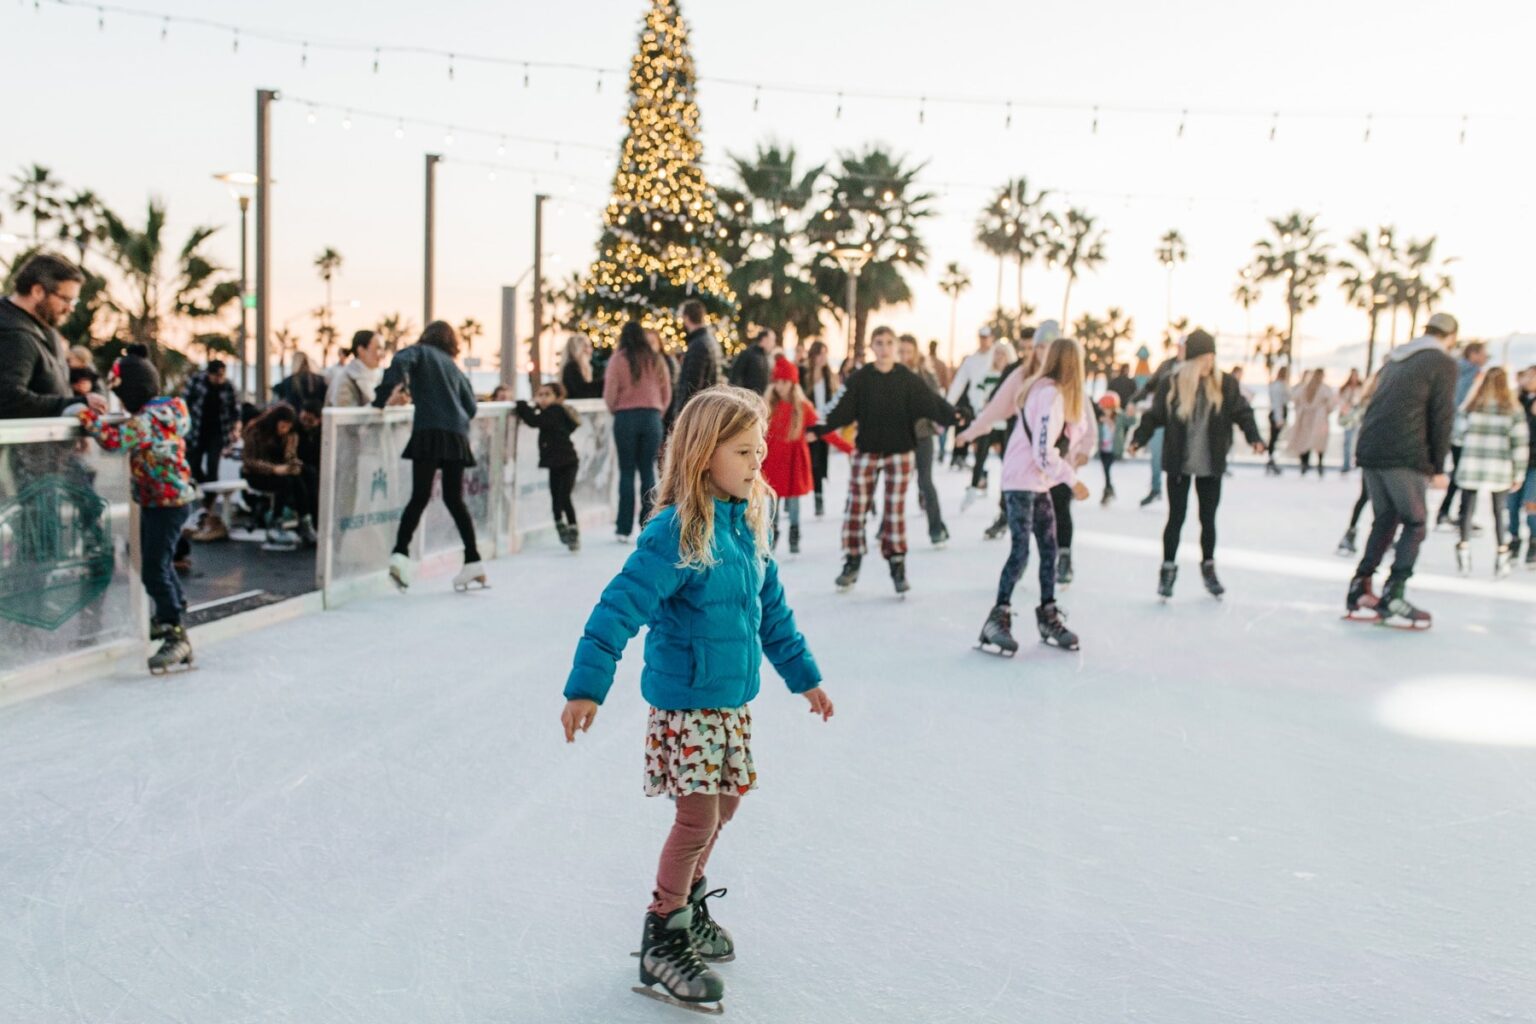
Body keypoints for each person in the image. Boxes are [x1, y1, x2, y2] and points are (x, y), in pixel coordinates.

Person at [558, 387, 834, 1013]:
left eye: (760, 450)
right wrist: (586, 687)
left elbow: (774, 617)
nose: (756, 462)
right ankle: (664, 932)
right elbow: (619, 606)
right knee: (697, 818)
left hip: (731, 705)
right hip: (687, 706)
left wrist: (805, 677)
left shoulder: (748, 525)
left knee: (727, 806)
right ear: (704, 453)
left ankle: (687, 898)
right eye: (742, 451)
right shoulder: (679, 530)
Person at [958, 335, 1092, 653]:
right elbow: (1043, 452)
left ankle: (1048, 613)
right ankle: (996, 617)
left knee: (1049, 549)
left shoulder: (1062, 395)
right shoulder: (1047, 395)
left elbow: (1075, 431)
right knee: (1021, 551)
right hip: (1020, 480)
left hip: (1038, 482)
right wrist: (1072, 480)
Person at [78, 350, 197, 672]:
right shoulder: (168, 412)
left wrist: (87, 417)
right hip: (164, 500)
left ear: (133, 391)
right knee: (156, 562)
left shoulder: (147, 421)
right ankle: (172, 612)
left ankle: (176, 632)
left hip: (164, 502)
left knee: (152, 569)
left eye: (121, 393)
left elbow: (114, 441)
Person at [816, 325, 958, 594]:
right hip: (867, 448)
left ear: (895, 346)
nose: (884, 348)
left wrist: (953, 415)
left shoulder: (906, 377)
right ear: (872, 347)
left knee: (894, 511)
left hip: (900, 450)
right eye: (879, 343)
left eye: (889, 343)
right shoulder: (861, 377)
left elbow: (930, 401)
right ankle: (853, 560)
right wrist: (819, 427)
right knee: (857, 505)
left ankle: (897, 563)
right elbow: (841, 406)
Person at [1129, 329, 1266, 600]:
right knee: (1176, 518)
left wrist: (1255, 437)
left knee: (1208, 519)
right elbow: (1154, 416)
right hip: (1180, 462)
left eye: (1212, 357)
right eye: (1204, 357)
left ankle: (1209, 569)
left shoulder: (1225, 383)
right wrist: (1137, 439)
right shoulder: (1173, 383)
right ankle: (1167, 571)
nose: (1209, 363)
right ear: (1192, 360)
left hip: (1210, 463)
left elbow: (1242, 411)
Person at [1345, 312, 1460, 627]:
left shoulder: (1397, 359)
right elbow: (1441, 415)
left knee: (1385, 519)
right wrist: (1438, 466)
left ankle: (1360, 588)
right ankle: (1394, 594)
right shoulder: (1442, 362)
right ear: (1450, 337)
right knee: (1415, 522)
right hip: (1404, 454)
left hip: (1371, 448)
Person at [372, 321, 485, 592]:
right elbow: (470, 406)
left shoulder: (420, 352)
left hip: (430, 431)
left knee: (420, 495)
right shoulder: (454, 368)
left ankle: (400, 554)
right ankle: (473, 560)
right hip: (456, 436)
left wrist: (380, 399)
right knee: (454, 499)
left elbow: (399, 363)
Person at [0, 252, 104, 418]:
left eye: (73, 302)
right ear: (38, 291)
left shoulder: (42, 329)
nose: (70, 308)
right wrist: (77, 403)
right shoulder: (13, 335)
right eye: (66, 299)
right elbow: (8, 400)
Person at [1450, 367, 1529, 578]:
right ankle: (1501, 554)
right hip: (1499, 467)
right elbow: (1520, 444)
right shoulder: (1513, 410)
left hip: (1472, 465)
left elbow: (1457, 436)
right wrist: (1519, 473)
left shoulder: (1472, 406)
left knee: (1467, 509)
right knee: (1498, 511)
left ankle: (1464, 549)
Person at [764, 356, 847, 555]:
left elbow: (824, 430)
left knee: (793, 501)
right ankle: (771, 534)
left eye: (784, 382)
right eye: (777, 382)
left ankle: (794, 531)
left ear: (793, 384)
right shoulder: (767, 406)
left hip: (793, 460)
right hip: (773, 460)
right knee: (772, 500)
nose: (780, 386)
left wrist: (848, 448)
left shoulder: (803, 407)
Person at [605, 320, 673, 541]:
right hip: (652, 417)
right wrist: (658, 411)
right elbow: (667, 391)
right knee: (648, 471)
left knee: (626, 471)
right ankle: (648, 523)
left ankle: (623, 528)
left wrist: (616, 408)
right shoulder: (655, 358)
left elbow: (610, 392)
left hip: (626, 417)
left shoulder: (618, 359)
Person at [515, 381, 582, 552]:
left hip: (567, 461)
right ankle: (561, 525)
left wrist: (521, 405)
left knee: (564, 496)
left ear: (558, 398)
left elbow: (534, 421)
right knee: (555, 496)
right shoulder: (552, 413)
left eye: (547, 395)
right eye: (540, 395)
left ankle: (572, 530)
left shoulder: (555, 411)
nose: (543, 398)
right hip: (556, 462)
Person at [900, 333, 951, 546]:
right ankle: (887, 528)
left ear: (915, 352)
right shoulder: (889, 374)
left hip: (922, 436)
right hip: (898, 438)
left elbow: (935, 400)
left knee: (925, 481)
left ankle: (936, 528)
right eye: (901, 351)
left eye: (908, 351)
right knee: (897, 484)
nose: (904, 356)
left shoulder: (924, 374)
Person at [240, 403, 315, 548]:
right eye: (282, 426)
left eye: (288, 427)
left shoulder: (292, 434)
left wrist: (293, 465)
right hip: (256, 473)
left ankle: (305, 521)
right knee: (285, 482)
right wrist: (274, 469)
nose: (284, 430)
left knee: (299, 478)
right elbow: (249, 461)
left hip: (281, 472)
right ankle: (276, 522)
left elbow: (290, 455)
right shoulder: (255, 430)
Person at [1435, 340, 1491, 529]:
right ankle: (1459, 515)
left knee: (1460, 473)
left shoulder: (1455, 370)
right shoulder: (1472, 374)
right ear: (1473, 354)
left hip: (1452, 429)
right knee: (1465, 474)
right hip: (1463, 431)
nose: (1486, 358)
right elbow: (1463, 403)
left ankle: (1453, 513)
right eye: (1484, 353)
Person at [183, 359, 240, 541]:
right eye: (216, 375)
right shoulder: (196, 382)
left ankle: (208, 506)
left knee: (213, 467)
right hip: (197, 431)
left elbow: (235, 409)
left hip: (217, 433)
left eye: (222, 375)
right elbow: (184, 403)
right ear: (209, 373)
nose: (219, 379)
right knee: (193, 465)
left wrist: (235, 428)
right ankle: (203, 497)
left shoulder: (228, 387)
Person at [961, 340, 1018, 511]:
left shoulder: (1012, 376)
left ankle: (1005, 500)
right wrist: (983, 405)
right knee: (980, 457)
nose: (1000, 357)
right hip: (989, 424)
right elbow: (977, 395)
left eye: (1003, 353)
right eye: (997, 353)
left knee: (1007, 463)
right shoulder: (987, 375)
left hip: (1006, 426)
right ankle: (972, 488)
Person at [1131, 338, 1182, 505]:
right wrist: (1133, 401)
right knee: (1156, 454)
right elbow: (1149, 386)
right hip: (1162, 419)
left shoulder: (1196, 370)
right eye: (1180, 346)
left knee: (1178, 463)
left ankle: (1176, 498)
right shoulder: (1166, 366)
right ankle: (1155, 488)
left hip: (1182, 425)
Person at [945, 325, 997, 469]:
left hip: (995, 408)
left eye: (986, 337)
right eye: (981, 337)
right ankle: (978, 475)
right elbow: (958, 383)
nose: (983, 341)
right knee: (978, 441)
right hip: (975, 407)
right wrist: (947, 406)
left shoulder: (996, 356)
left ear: (991, 338)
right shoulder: (971, 360)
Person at [798, 340, 840, 517]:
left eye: (826, 354)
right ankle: (791, 499)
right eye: (821, 354)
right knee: (806, 461)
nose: (824, 358)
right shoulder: (803, 374)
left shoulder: (829, 374)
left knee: (821, 461)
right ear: (814, 355)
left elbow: (834, 399)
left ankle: (819, 498)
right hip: (808, 424)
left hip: (824, 423)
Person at [669, 299, 722, 426]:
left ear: (686, 318)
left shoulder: (698, 345)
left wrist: (682, 414)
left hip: (696, 413)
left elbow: (692, 384)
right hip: (706, 408)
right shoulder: (709, 341)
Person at [1287, 368, 1336, 475]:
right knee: (1318, 442)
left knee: (1304, 440)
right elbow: (1331, 405)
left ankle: (1305, 463)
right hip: (1319, 419)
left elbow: (1295, 400)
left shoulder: (1304, 387)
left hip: (1306, 418)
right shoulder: (1324, 389)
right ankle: (1319, 464)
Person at [1512, 366, 1536, 568]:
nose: (1527, 380)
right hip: (1515, 460)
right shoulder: (1515, 400)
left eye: (1532, 376)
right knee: (1511, 504)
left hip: (1534, 463)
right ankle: (1513, 539)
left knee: (1531, 503)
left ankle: (1534, 542)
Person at [326, 330, 388, 408]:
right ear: (361, 350)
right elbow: (344, 417)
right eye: (378, 348)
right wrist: (385, 404)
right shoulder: (344, 379)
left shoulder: (382, 376)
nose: (383, 354)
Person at [1096, 392, 1135, 505]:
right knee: (1106, 471)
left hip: (1113, 449)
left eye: (1108, 408)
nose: (1106, 411)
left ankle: (1108, 490)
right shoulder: (1101, 419)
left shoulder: (1120, 417)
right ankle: (1108, 489)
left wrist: (1132, 413)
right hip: (1103, 449)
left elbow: (1131, 421)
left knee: (1107, 470)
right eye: (1104, 408)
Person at [726, 328, 775, 395]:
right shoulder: (748, 353)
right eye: (772, 340)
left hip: (757, 398)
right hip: (746, 398)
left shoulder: (764, 357)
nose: (773, 344)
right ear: (764, 339)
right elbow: (736, 376)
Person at [1265, 365, 1291, 475]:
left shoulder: (1281, 385)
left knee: (1275, 439)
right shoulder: (1278, 386)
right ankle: (1271, 461)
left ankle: (1271, 461)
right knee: (1274, 439)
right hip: (1277, 414)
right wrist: (1278, 418)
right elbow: (1277, 404)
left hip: (1279, 414)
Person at [560, 333, 604, 400]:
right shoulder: (571, 368)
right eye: (586, 346)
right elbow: (581, 391)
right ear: (578, 348)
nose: (590, 350)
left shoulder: (582, 367)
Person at [1337, 368, 1364, 472]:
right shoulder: (1345, 388)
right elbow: (1340, 401)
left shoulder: (1361, 388)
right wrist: (1345, 407)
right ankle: (1346, 464)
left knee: (1358, 440)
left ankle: (1357, 462)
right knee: (1347, 441)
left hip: (1357, 416)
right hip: (1348, 416)